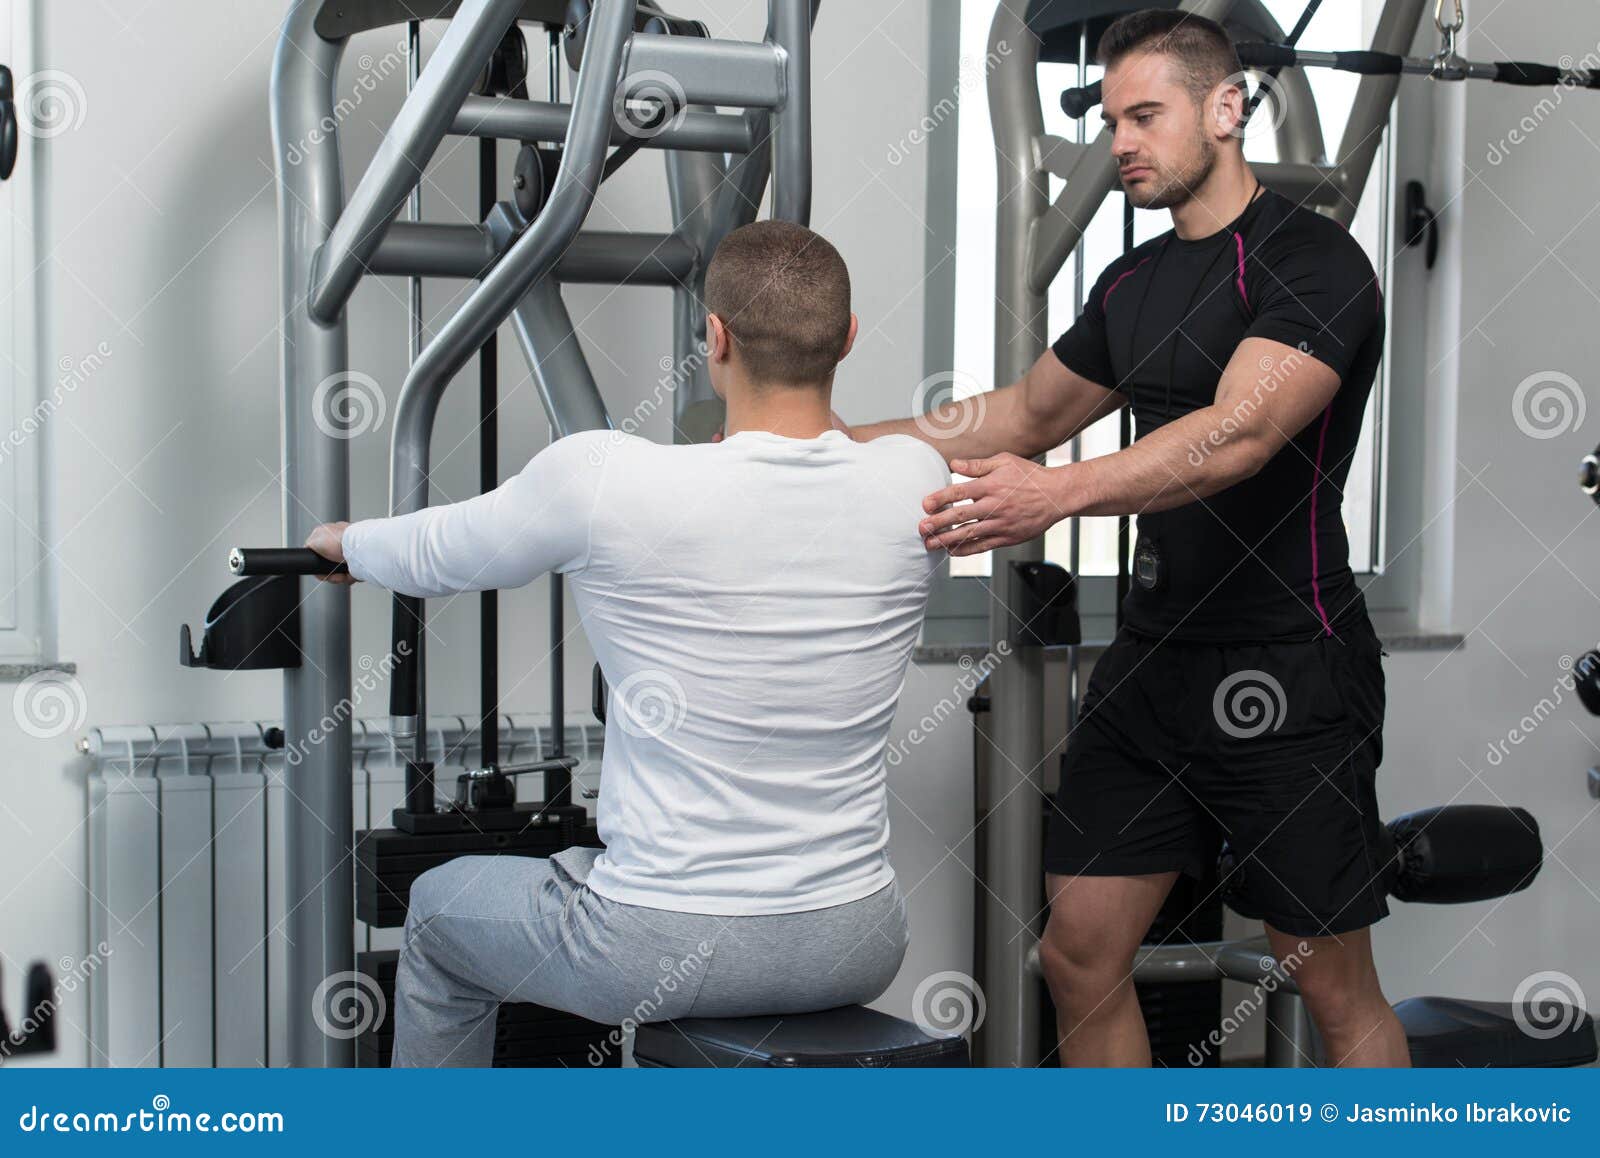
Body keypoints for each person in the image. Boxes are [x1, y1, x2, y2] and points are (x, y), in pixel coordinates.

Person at [842, 10, 1403, 1066]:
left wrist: (1056, 499)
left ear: (1225, 109)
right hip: (1150, 666)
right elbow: (1024, 415)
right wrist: (829, 441)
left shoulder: (1313, 263)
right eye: (1110, 121)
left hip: (1288, 662)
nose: (1121, 144)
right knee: (1077, 955)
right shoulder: (1132, 284)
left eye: (1144, 115)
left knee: (1330, 984)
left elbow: (1234, 434)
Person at [305, 221, 950, 1067]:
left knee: (435, 908)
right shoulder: (917, 478)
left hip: (663, 941)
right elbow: (817, 485)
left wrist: (348, 544)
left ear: (714, 337)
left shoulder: (608, 478)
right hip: (857, 936)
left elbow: (436, 552)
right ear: (849, 339)